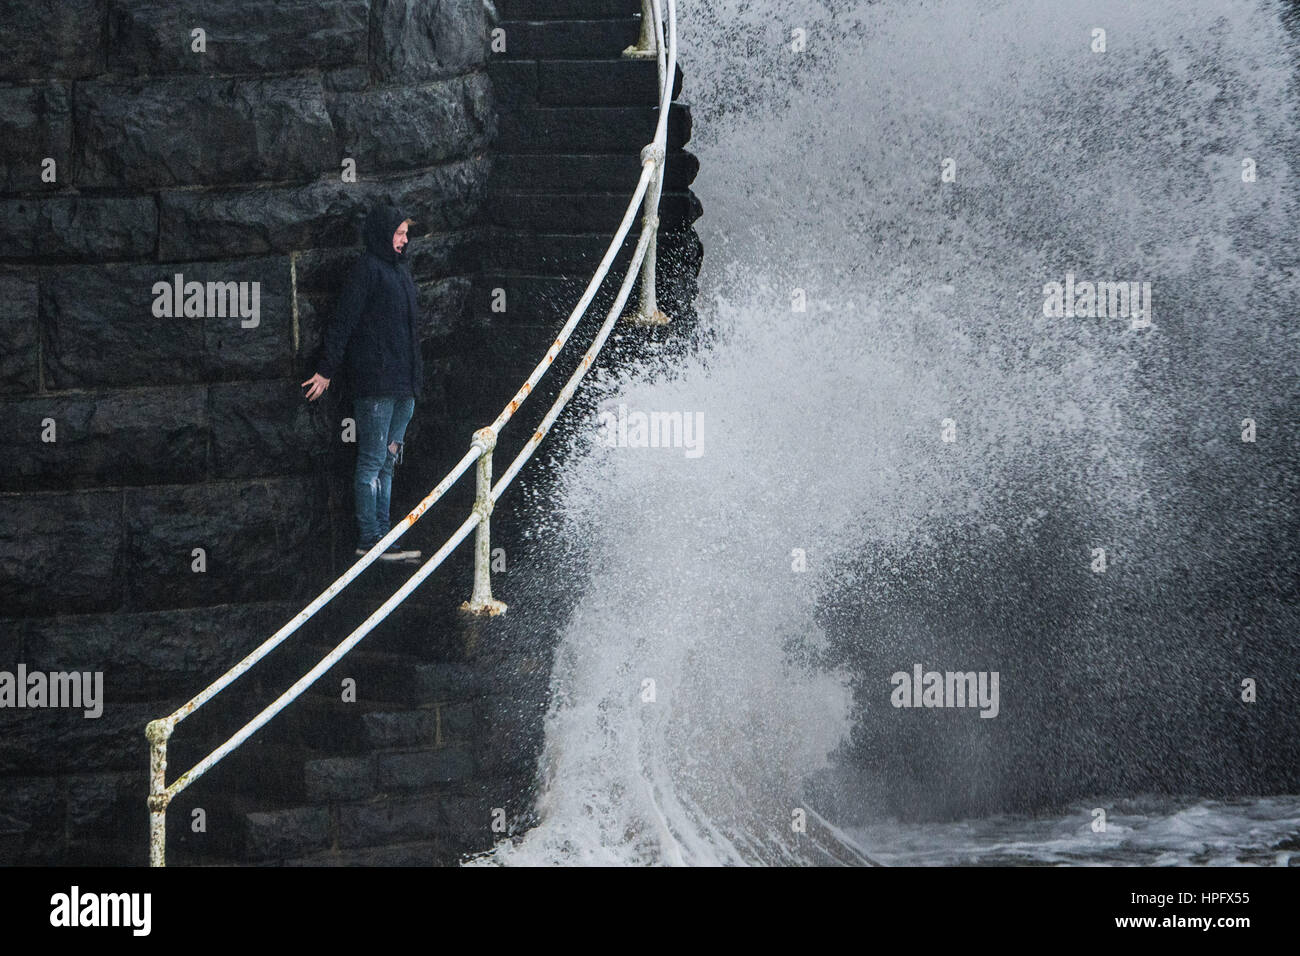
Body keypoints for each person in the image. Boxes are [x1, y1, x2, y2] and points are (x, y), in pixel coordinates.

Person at [302, 204, 423, 562]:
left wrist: (418, 381)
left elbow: (411, 330)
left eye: (405, 233)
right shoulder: (367, 270)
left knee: (388, 460)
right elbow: (344, 322)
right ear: (383, 234)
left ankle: (384, 536)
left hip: (404, 384)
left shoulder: (401, 271)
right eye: (399, 233)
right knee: (371, 460)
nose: (404, 240)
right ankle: (369, 539)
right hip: (374, 384)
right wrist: (326, 370)